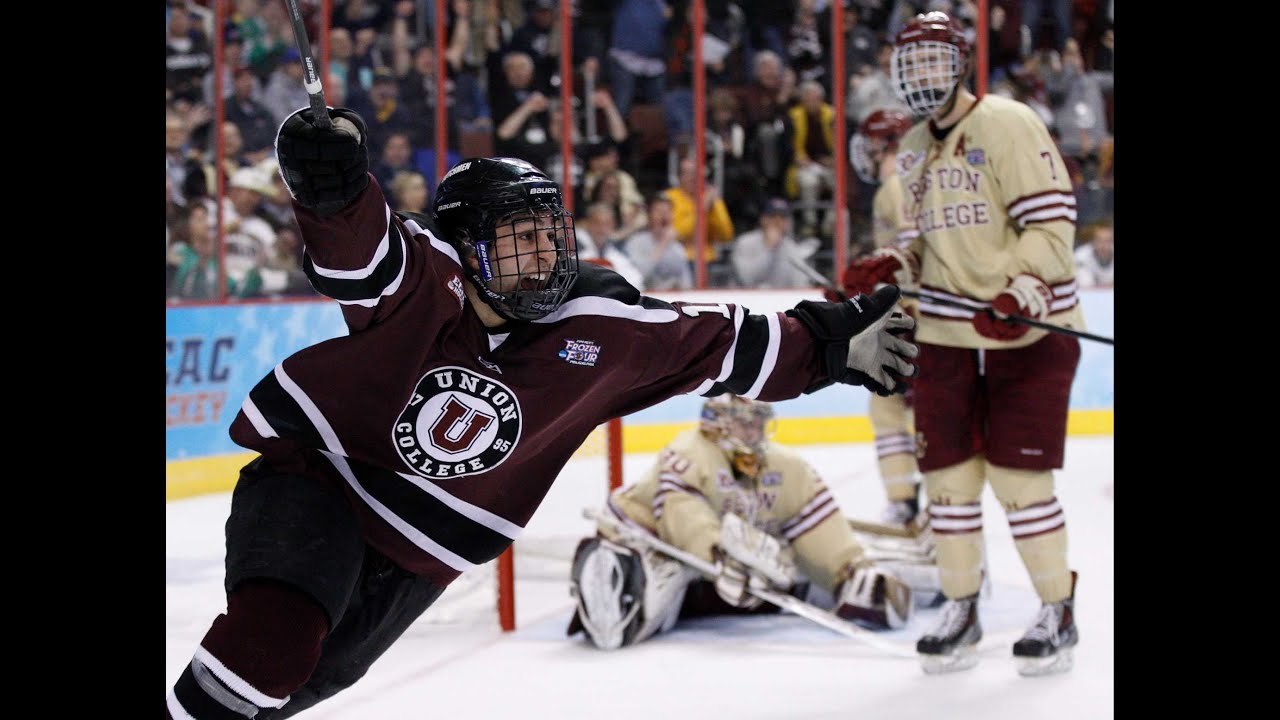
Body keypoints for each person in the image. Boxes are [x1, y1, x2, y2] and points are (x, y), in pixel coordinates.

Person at [165, 104, 920, 719]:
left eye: (546, 234)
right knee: (265, 652)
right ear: (464, 245)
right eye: (516, 238)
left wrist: (831, 348)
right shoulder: (424, 281)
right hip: (324, 485)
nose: (542, 255)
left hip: (423, 562)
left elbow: (720, 341)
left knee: (281, 695)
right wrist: (333, 194)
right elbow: (361, 254)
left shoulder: (604, 322)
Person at [843, 11, 1083, 676]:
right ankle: (961, 605)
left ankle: (1056, 609)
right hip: (948, 334)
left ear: (959, 63)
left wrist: (1024, 292)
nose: (922, 76)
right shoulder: (915, 146)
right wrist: (894, 264)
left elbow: (1053, 223)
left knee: (1018, 479)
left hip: (1029, 331)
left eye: (933, 61)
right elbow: (929, 242)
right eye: (910, 64)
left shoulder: (1008, 123)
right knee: (946, 481)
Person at [568, 395, 936, 650]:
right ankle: (613, 579)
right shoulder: (688, 453)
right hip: (655, 541)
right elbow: (686, 519)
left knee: (791, 567)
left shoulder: (786, 467)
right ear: (717, 427)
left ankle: (848, 582)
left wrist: (850, 569)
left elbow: (817, 523)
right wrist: (717, 558)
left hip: (729, 561)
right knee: (661, 584)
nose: (754, 431)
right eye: (745, 423)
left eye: (759, 422)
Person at [839, 107, 923, 526]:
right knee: (892, 405)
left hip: (913, 315)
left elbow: (913, 256)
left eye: (872, 143)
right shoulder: (905, 184)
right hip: (906, 313)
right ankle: (909, 497)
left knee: (900, 409)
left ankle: (912, 498)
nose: (866, 153)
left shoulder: (896, 186)